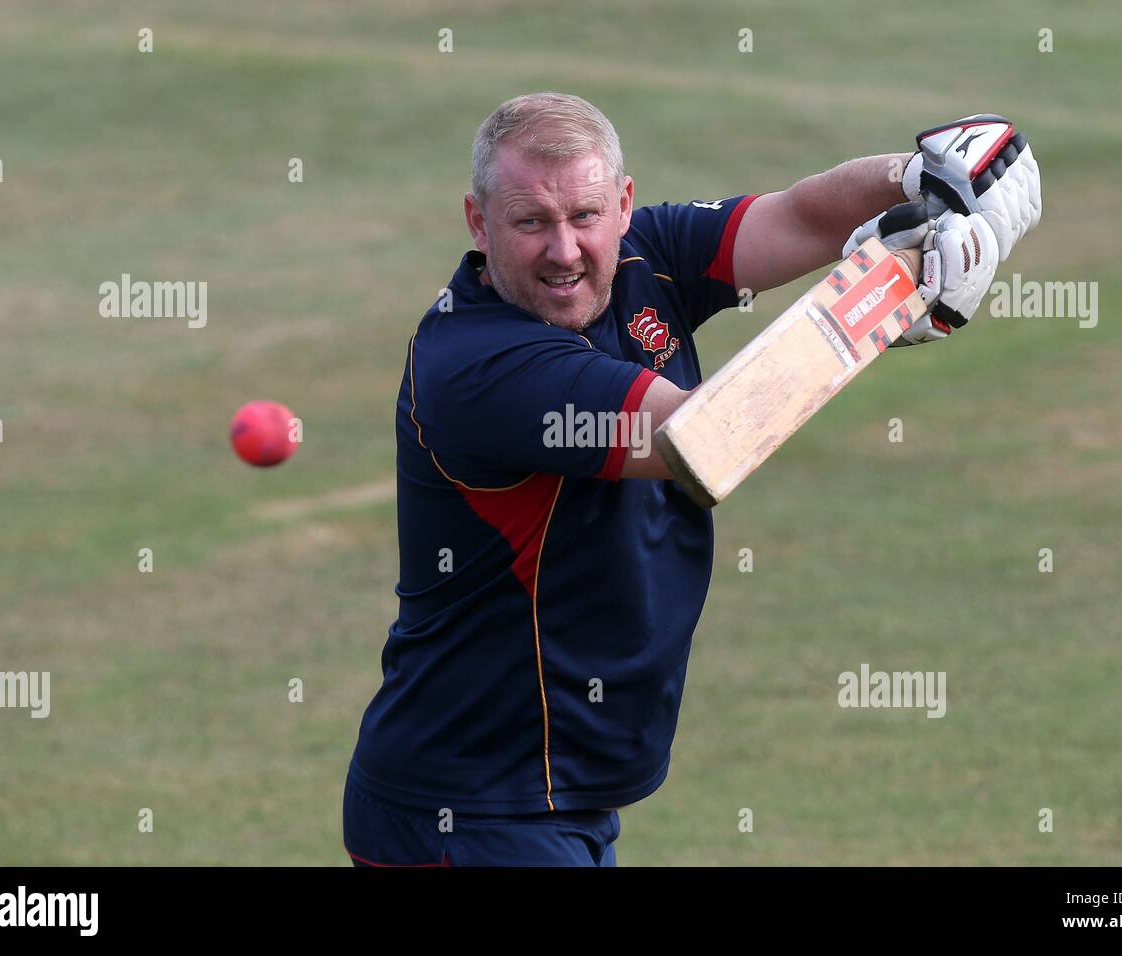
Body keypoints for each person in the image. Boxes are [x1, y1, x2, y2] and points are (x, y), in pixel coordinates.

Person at [343, 92, 1040, 866]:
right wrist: (896, 288)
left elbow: (802, 218)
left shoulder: (648, 252)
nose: (565, 250)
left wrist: (917, 177)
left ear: (623, 204)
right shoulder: (477, 366)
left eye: (584, 215)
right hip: (465, 809)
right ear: (479, 222)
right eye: (530, 221)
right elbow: (707, 437)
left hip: (550, 795)